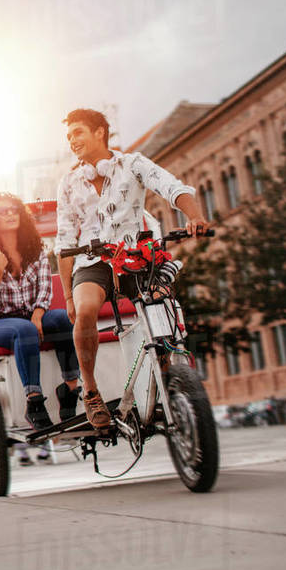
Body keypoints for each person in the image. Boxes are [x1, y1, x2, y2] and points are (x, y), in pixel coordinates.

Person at [55, 108, 210, 435]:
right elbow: (65, 240)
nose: (72, 141)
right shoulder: (69, 182)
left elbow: (170, 187)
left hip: (136, 257)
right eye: (69, 136)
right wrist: (68, 295)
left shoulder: (133, 164)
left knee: (161, 306)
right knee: (85, 313)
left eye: (78, 133)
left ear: (99, 132)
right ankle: (91, 391)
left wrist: (194, 216)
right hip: (91, 261)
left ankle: (167, 379)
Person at [0, 193, 80, 431]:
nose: (11, 214)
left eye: (14, 210)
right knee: (24, 330)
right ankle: (34, 402)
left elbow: (45, 288)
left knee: (63, 318)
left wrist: (38, 314)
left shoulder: (36, 252)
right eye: (4, 211)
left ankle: (71, 388)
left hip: (33, 315)